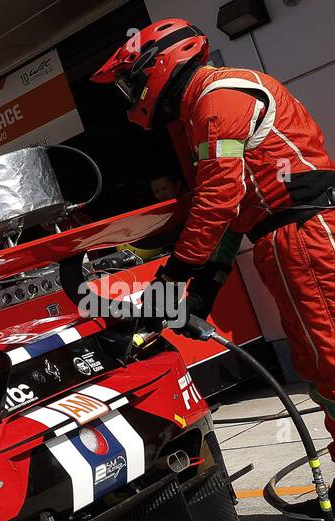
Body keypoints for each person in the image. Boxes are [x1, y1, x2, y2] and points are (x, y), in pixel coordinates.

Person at [94, 18, 335, 456]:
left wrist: (170, 281)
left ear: (158, 66)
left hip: (304, 235)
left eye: (133, 83)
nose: (132, 97)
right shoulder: (204, 108)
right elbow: (231, 212)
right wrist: (204, 288)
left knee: (332, 361)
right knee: (319, 364)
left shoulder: (217, 98)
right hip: (288, 240)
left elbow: (218, 200)